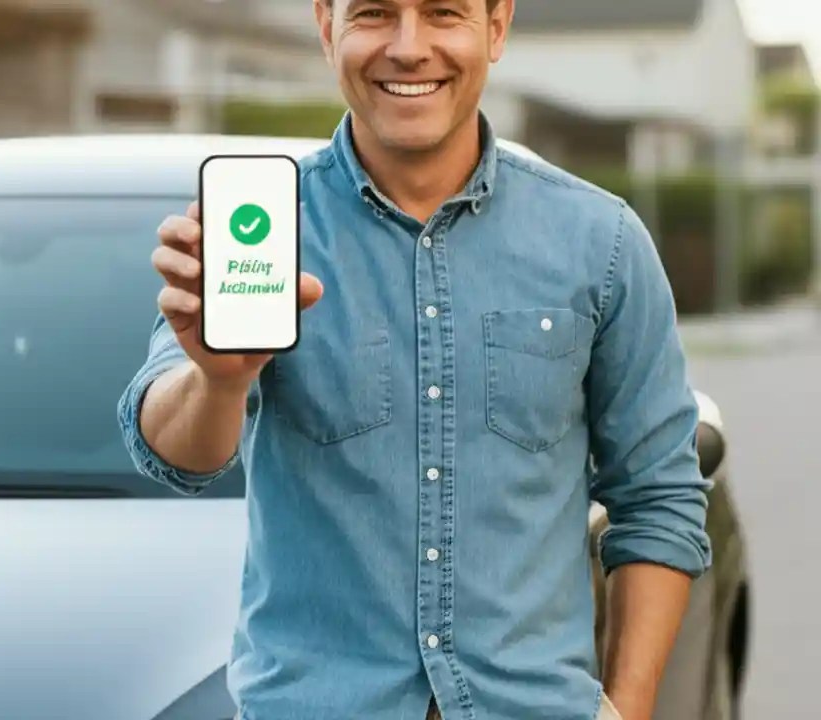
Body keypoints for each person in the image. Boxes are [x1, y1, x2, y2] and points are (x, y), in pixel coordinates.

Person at [116, 1, 713, 718]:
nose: (408, 47)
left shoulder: (602, 242)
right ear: (325, 24)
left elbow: (658, 499)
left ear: (496, 26)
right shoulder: (257, 231)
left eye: (442, 13)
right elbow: (174, 455)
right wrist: (218, 380)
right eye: (373, 13)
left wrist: (629, 705)